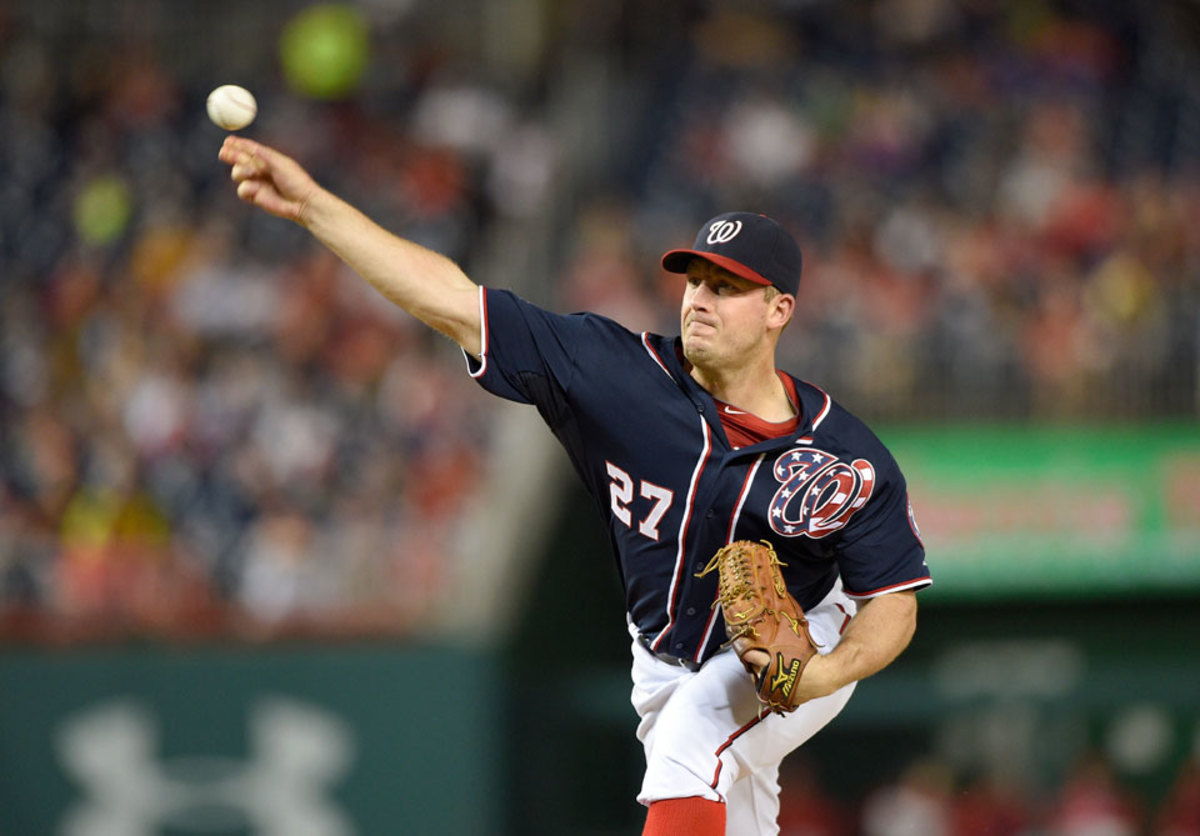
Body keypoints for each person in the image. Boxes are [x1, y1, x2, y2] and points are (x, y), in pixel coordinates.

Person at [219, 135, 932, 836]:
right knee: (720, 788)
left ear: (779, 310)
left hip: (799, 642)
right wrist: (316, 209)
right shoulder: (615, 375)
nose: (700, 300)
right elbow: (454, 302)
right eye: (694, 281)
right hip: (658, 653)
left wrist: (824, 673)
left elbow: (892, 604)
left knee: (693, 743)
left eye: (727, 287)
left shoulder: (841, 455)